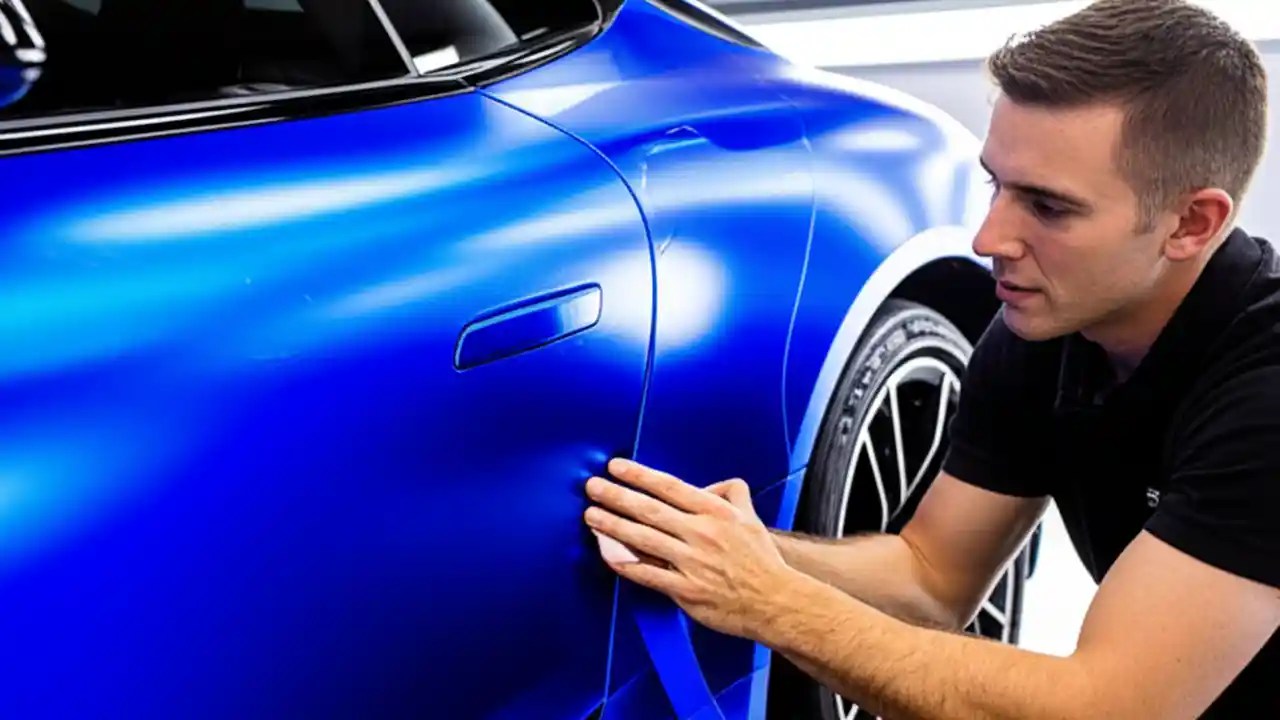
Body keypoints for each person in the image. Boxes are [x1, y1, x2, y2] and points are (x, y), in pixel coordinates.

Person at [582, 0, 1279, 717]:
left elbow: (1102, 709)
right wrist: (739, 549)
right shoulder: (1049, 331)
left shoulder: (1264, 400)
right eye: (996, 185)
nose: (987, 238)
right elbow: (931, 577)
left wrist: (772, 603)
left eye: (1047, 207)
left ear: (1192, 224)